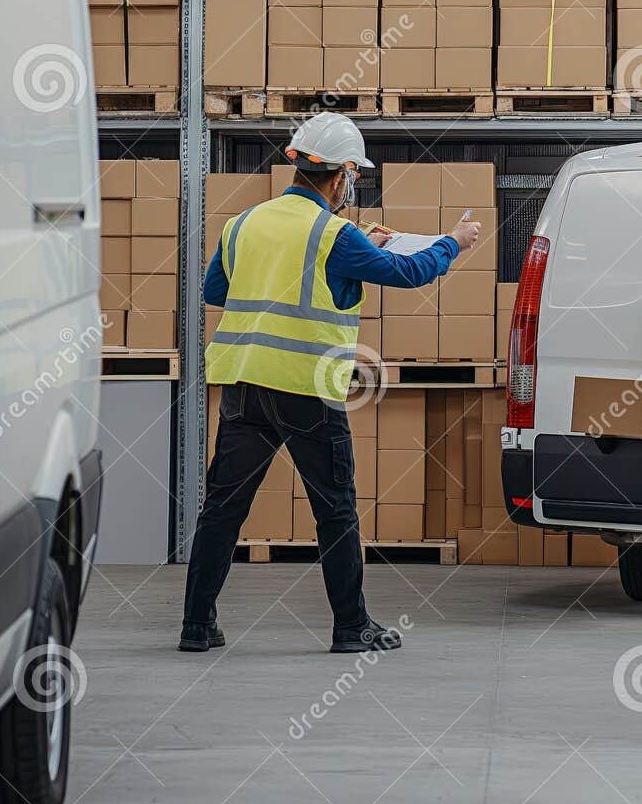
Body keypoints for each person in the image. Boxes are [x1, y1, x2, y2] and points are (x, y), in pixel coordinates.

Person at [179, 112, 481, 654]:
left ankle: (197, 626)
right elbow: (408, 274)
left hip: (244, 388)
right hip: (307, 390)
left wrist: (352, 249)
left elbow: (217, 292)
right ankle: (350, 627)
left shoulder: (243, 223)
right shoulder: (334, 234)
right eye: (353, 176)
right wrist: (452, 242)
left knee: (223, 509)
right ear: (341, 175)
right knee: (335, 509)